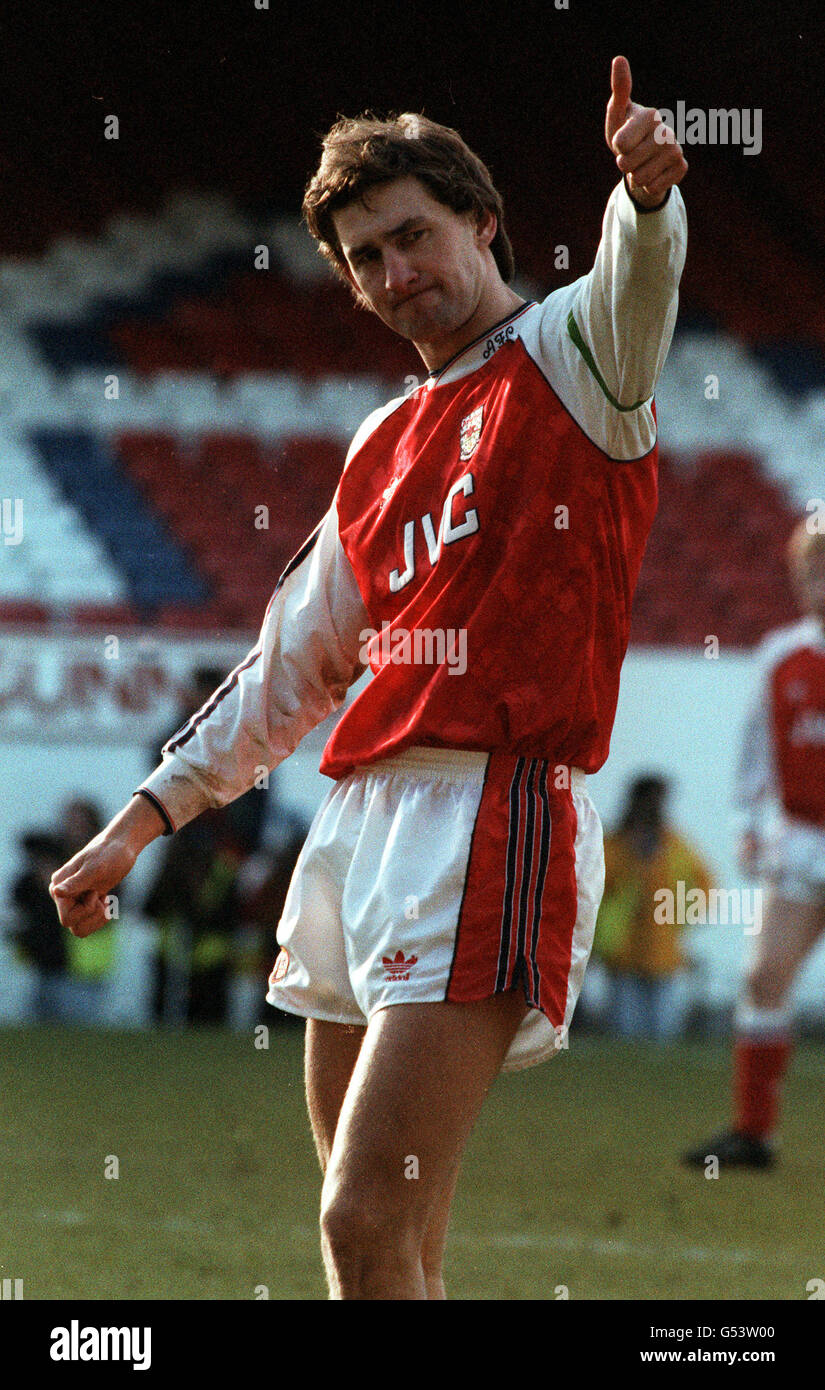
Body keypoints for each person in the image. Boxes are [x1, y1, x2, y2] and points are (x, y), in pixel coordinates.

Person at [50, 56, 687, 1299]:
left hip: (491, 810)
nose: (397, 276)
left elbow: (639, 289)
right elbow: (286, 669)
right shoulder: (379, 443)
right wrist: (138, 825)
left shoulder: (576, 355)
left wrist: (647, 200)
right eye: (364, 259)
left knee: (361, 1215)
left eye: (415, 237)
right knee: (382, 1243)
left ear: (482, 221)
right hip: (357, 831)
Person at [683, 519, 825, 1170]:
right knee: (762, 977)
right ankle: (753, 1133)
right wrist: (746, 819)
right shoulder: (780, 655)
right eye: (806, 573)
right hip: (800, 841)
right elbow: (755, 747)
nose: (813, 585)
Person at [591, 774, 713, 1039]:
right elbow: (593, 888)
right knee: (624, 1032)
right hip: (622, 952)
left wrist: (682, 918)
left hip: (663, 953)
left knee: (662, 1033)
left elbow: (704, 884)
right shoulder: (615, 845)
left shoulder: (675, 846)